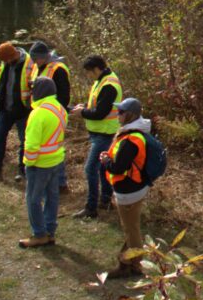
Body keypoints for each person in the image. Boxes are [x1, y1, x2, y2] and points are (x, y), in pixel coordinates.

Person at [101, 97, 158, 278]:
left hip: (129, 191)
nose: (118, 115)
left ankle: (137, 265)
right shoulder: (137, 133)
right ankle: (126, 262)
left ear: (130, 115)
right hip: (138, 186)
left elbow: (118, 167)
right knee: (131, 226)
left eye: (121, 112)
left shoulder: (130, 140)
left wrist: (106, 161)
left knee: (131, 231)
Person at [20, 76, 69, 248]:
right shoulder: (60, 109)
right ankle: (50, 231)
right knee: (52, 197)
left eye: (33, 90)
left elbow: (32, 144)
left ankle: (39, 234)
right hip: (56, 160)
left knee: (33, 199)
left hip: (40, 164)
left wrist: (29, 162)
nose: (31, 93)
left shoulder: (38, 113)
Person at [75, 55, 123, 220]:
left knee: (90, 168)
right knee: (103, 168)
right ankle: (105, 200)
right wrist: (84, 107)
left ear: (97, 69)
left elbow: (100, 114)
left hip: (105, 133)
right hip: (99, 132)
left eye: (89, 72)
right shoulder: (102, 80)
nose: (88, 76)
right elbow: (97, 106)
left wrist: (81, 112)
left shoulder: (109, 85)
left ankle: (91, 208)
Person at [0, 40, 25, 181]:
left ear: (12, 54)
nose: (6, 62)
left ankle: (22, 172)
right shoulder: (6, 64)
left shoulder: (28, 64)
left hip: (23, 110)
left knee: (25, 142)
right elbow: (1, 83)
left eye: (7, 59)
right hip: (5, 109)